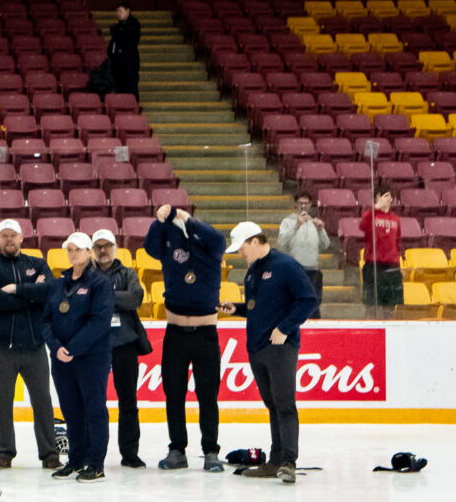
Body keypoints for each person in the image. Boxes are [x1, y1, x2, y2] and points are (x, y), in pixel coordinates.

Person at [218, 222, 318, 483]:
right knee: (273, 405)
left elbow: (308, 299)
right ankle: (276, 460)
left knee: (284, 405)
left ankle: (288, 462)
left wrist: (285, 328)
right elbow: (257, 306)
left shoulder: (286, 266)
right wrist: (237, 308)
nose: (240, 254)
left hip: (280, 348)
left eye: (242, 248)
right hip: (257, 348)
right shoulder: (252, 273)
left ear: (254, 240)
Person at [143, 203, 225, 472]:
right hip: (175, 333)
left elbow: (217, 239)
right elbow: (150, 247)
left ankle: (210, 450)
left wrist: (188, 221)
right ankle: (177, 448)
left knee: (207, 395)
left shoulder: (211, 247)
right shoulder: (169, 242)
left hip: (205, 334)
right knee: (174, 393)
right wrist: (160, 221)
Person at [0, 220, 62, 471]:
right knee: (1, 400)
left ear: (22, 238)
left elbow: (51, 292)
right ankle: (4, 452)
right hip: (0, 346)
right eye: (4, 236)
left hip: (34, 345)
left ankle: (49, 453)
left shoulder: (37, 263)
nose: (9, 240)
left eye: (13, 235)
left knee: (42, 400)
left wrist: (16, 289)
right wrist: (30, 295)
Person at [46, 231, 115, 482]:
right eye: (70, 249)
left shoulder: (99, 282)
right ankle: (75, 459)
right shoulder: (58, 283)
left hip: (91, 357)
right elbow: (46, 320)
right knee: (71, 410)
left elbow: (100, 321)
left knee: (94, 409)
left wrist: (72, 348)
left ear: (89, 253)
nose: (73, 253)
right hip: (61, 358)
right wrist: (56, 347)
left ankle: (95, 463)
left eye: (78, 249)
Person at [91, 228, 149, 469]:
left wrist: (102, 296)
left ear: (115, 248)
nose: (103, 250)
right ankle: (94, 452)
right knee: (93, 401)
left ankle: (130, 453)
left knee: (128, 401)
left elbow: (136, 297)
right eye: (98, 246)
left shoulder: (128, 272)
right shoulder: (86, 273)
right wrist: (115, 296)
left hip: (124, 343)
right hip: (94, 345)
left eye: (107, 245)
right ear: (93, 250)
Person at [355, 188, 404, 310]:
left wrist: (398, 265)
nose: (384, 198)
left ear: (391, 199)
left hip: (391, 268)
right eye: (380, 196)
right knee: (371, 308)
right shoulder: (370, 215)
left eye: (387, 195)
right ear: (375, 199)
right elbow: (362, 226)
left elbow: (397, 244)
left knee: (391, 308)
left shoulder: (396, 219)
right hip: (373, 266)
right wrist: (376, 207)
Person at [277, 191, 328, 297]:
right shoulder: (287, 222)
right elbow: (282, 242)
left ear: (310, 204)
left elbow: (325, 245)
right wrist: (296, 226)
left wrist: (320, 230)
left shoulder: (314, 223)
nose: (303, 206)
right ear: (296, 204)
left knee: (314, 306)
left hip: (313, 270)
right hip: (295, 270)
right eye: (301, 203)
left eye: (306, 203)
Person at [105, 2, 141, 98]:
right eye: (117, 11)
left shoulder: (134, 24)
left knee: (131, 85)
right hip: (118, 62)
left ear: (128, 11)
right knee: (120, 86)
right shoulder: (119, 26)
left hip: (130, 62)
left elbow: (128, 39)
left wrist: (118, 31)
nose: (118, 13)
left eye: (120, 11)